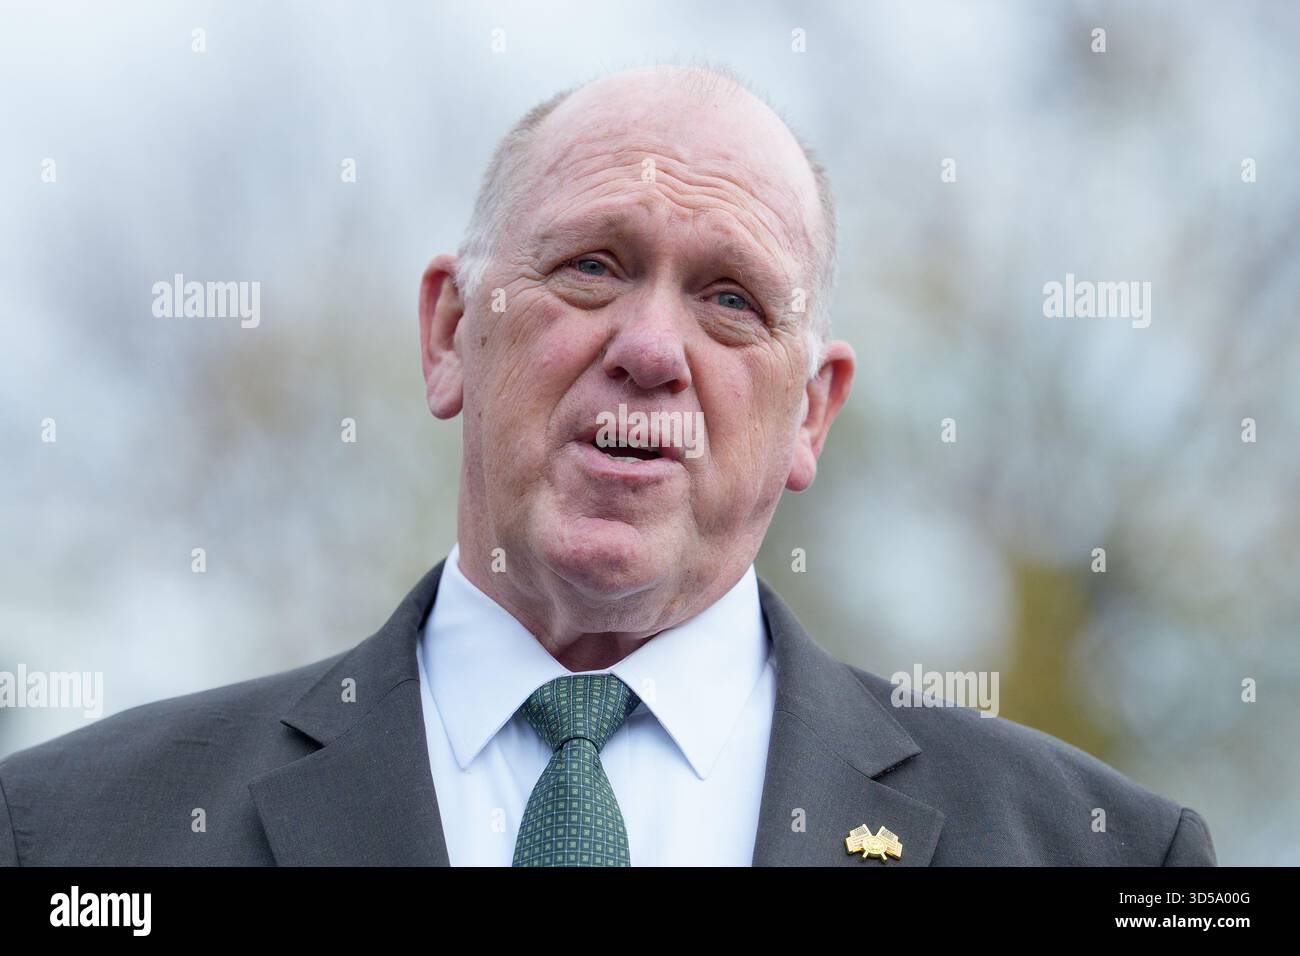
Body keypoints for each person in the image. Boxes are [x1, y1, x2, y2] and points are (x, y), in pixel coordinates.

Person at [0, 64, 1215, 866]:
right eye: (590, 265)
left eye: (731, 299)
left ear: (811, 413)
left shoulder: (1098, 853)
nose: (648, 349)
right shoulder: (76, 837)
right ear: (447, 334)